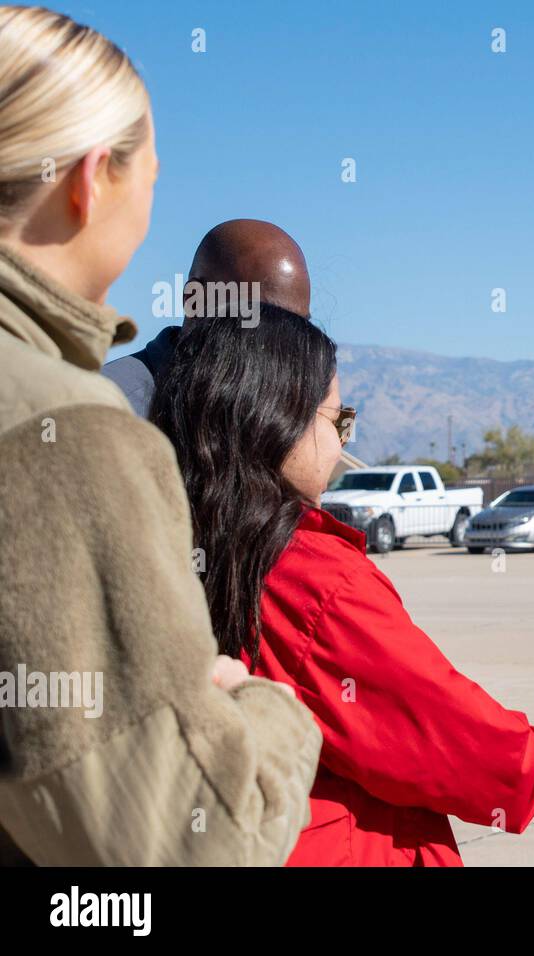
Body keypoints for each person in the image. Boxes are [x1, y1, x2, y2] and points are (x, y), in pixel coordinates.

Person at [0, 5, 321, 866]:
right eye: (152, 169)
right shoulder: (69, 431)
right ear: (91, 178)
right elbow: (190, 842)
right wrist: (259, 707)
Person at [150, 307, 534, 865]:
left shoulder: (172, 536)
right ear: (279, 419)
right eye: (337, 420)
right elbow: (423, 712)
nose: (338, 446)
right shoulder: (309, 572)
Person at [104, 218, 312, 417]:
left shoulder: (280, 421)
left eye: (300, 328)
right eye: (266, 320)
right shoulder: (106, 409)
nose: (286, 346)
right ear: (194, 301)